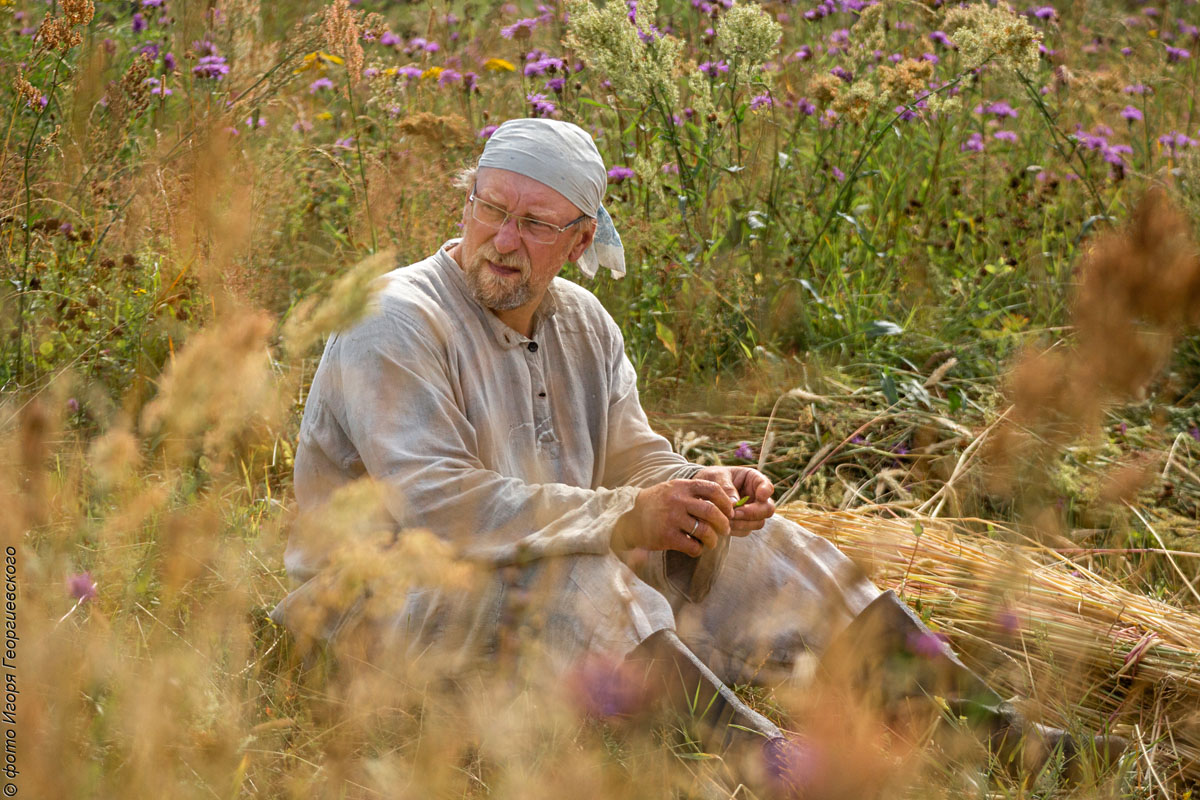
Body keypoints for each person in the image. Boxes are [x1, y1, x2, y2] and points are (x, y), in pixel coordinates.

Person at [270, 118, 1121, 790]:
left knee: (757, 543)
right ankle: (774, 768)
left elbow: (632, 459)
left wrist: (700, 491)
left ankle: (993, 732)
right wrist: (622, 516)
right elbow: (437, 506)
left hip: (528, 586)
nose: (501, 238)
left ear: (579, 239)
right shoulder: (393, 318)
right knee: (574, 573)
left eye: (533, 223)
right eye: (488, 208)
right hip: (376, 615)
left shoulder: (584, 326)